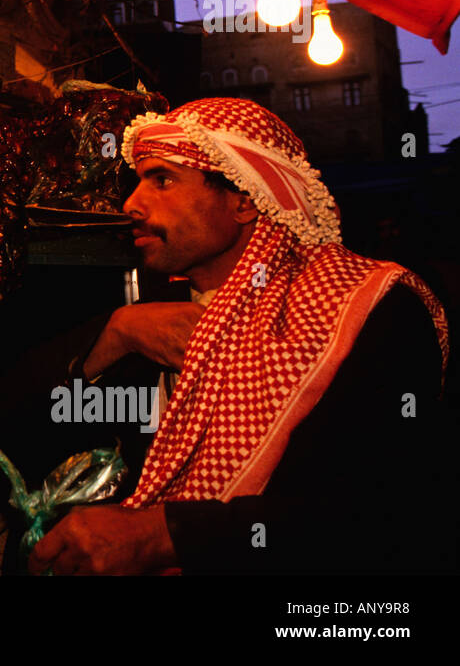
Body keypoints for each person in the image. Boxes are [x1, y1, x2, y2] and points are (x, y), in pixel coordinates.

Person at [27, 97, 452, 575]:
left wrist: (171, 533)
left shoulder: (364, 307)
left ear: (245, 200)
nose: (132, 203)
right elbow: (19, 436)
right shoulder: (139, 316)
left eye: (162, 179)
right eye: (138, 180)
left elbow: (389, 508)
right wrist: (115, 334)